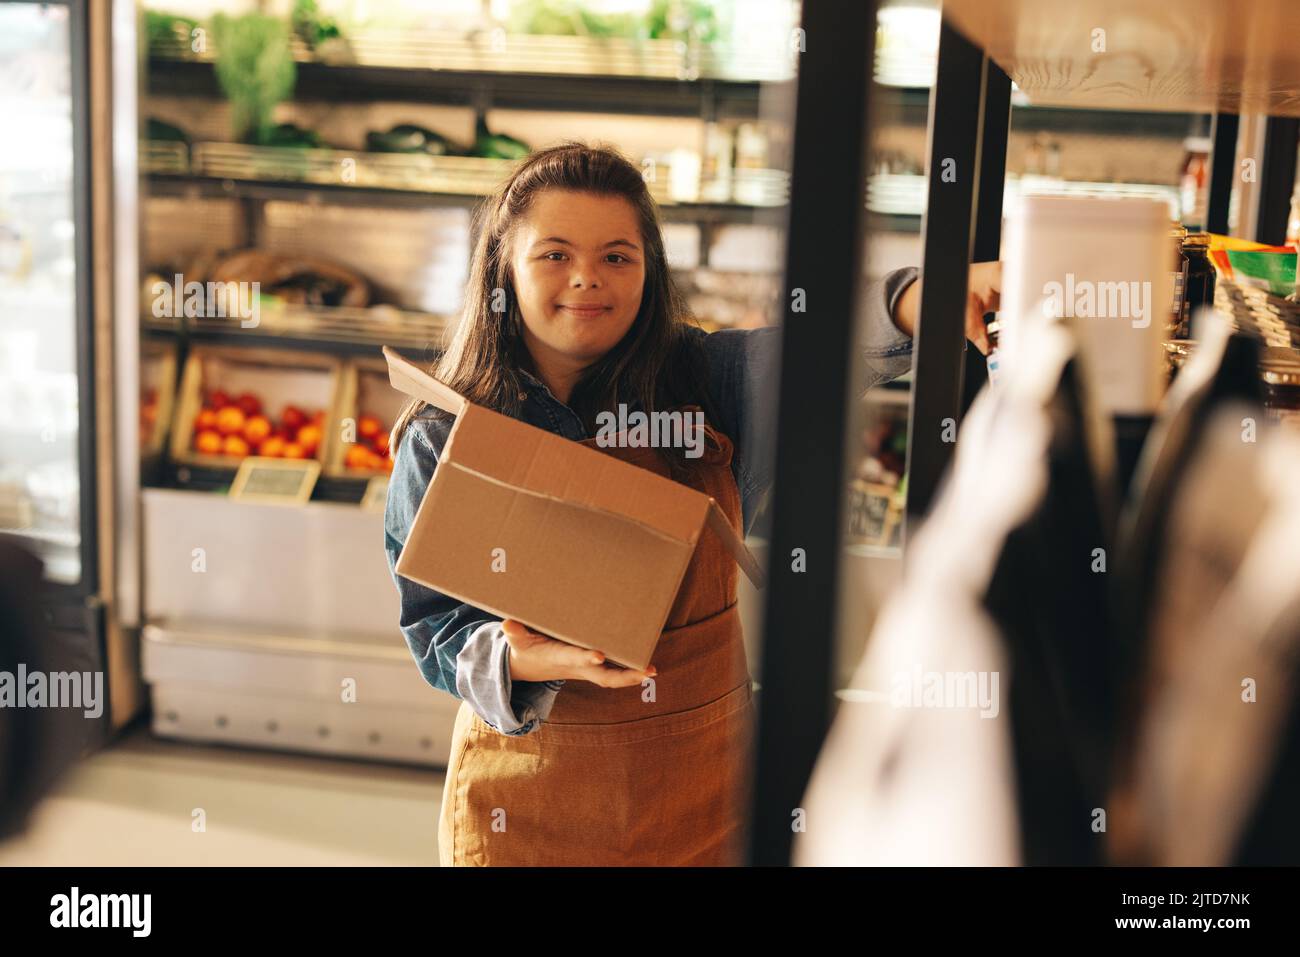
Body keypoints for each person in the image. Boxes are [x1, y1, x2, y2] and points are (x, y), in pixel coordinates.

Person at [384, 141, 1000, 866]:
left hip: (703, 800)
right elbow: (436, 625)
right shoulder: (446, 435)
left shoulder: (706, 384)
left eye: (618, 256)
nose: (588, 277)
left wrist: (918, 297)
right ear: (502, 270)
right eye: (554, 254)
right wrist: (519, 657)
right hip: (528, 806)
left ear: (650, 270)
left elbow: (824, 350)